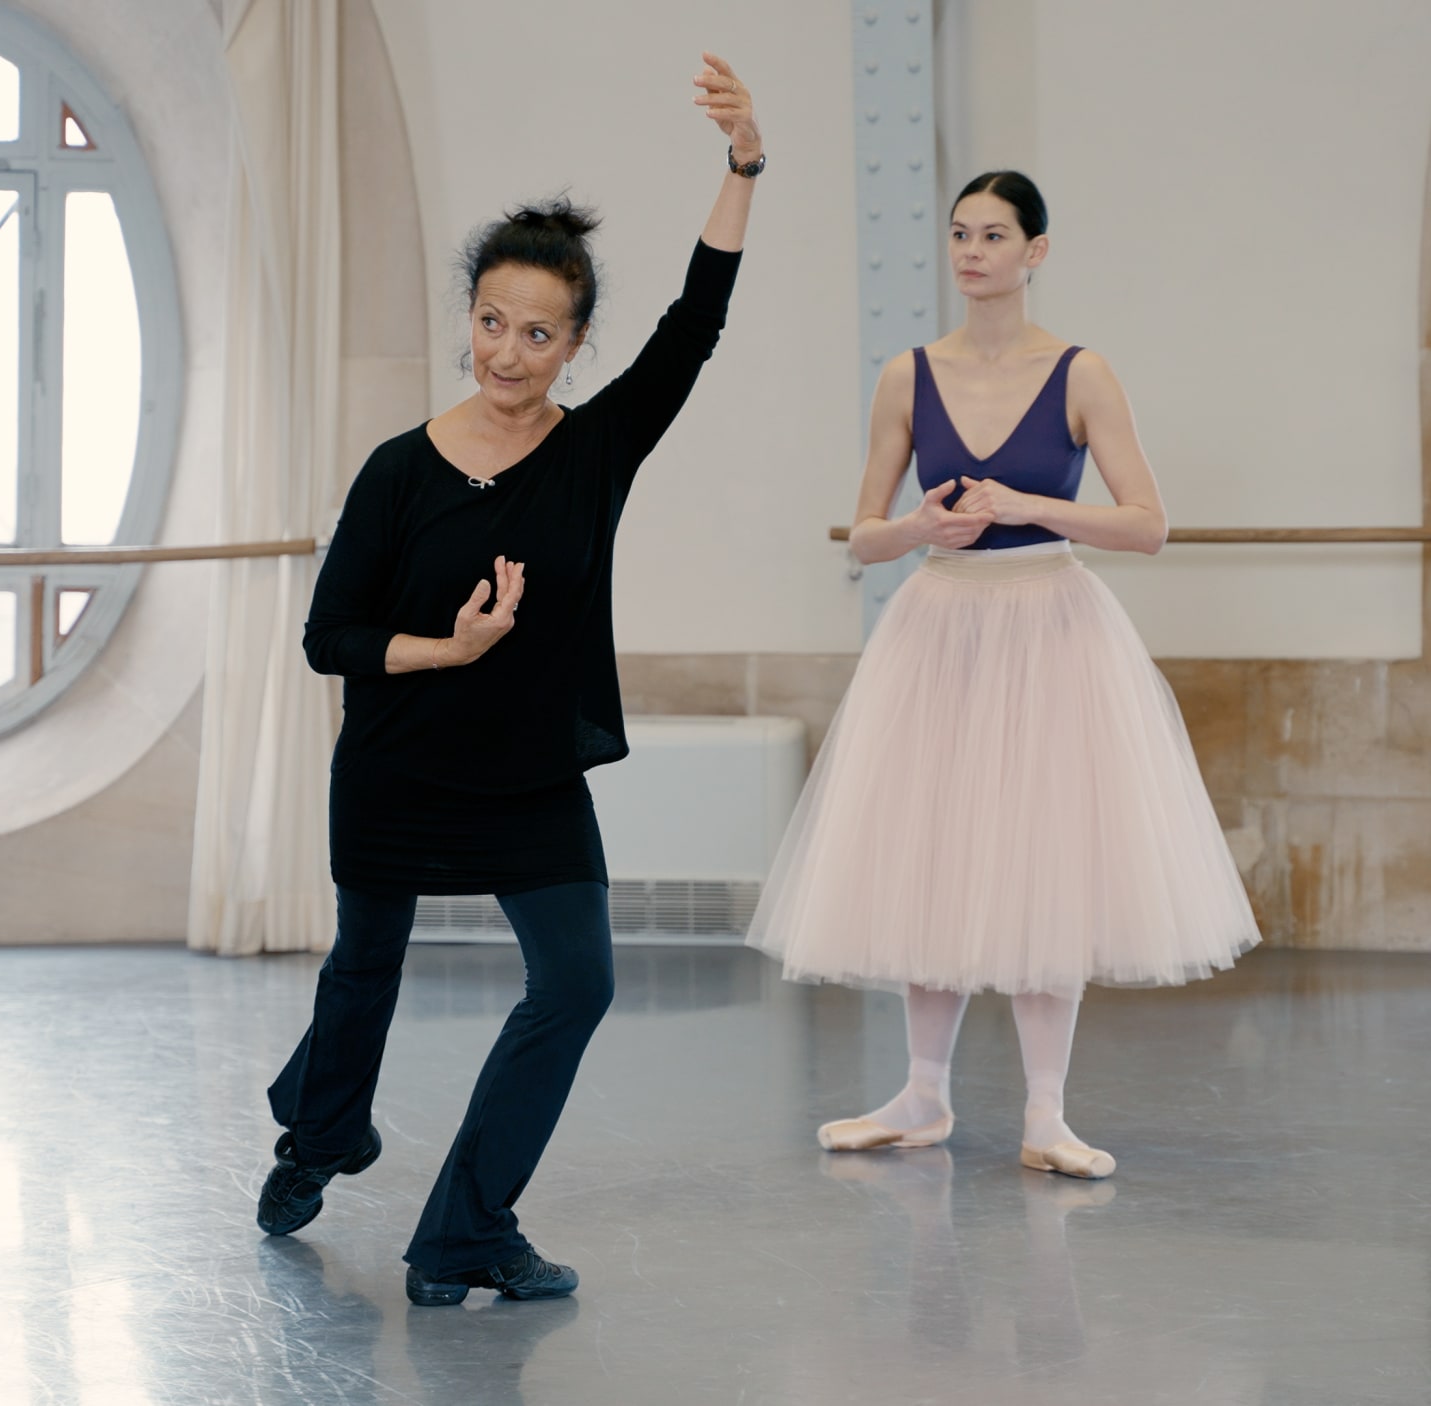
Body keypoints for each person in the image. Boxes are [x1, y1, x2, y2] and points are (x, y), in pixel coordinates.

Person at [254, 53, 765, 1307]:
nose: (508, 350)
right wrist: (448, 649)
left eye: (539, 333)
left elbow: (694, 324)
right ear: (468, 316)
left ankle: (464, 1230)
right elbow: (330, 639)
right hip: (395, 763)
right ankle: (317, 1136)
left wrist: (744, 163)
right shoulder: (395, 470)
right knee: (360, 976)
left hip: (527, 771)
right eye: (492, 322)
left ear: (575, 345)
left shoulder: (595, 453)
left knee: (578, 982)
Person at [746, 171, 1259, 1180]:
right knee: (931, 851)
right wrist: (921, 527)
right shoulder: (907, 374)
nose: (971, 251)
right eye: (959, 234)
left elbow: (1147, 524)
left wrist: (1032, 501)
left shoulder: (1080, 374)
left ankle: (1046, 1112)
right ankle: (923, 1091)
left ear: (1036, 250)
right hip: (939, 622)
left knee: (1043, 857)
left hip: (1048, 622)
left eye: (993, 234)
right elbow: (864, 530)